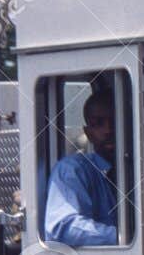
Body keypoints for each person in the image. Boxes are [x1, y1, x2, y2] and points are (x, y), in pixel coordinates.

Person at [46, 91, 119, 246]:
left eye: (114, 121)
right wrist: (126, 238)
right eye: (98, 123)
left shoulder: (141, 169)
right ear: (88, 133)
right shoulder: (72, 170)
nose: (108, 130)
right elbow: (62, 228)